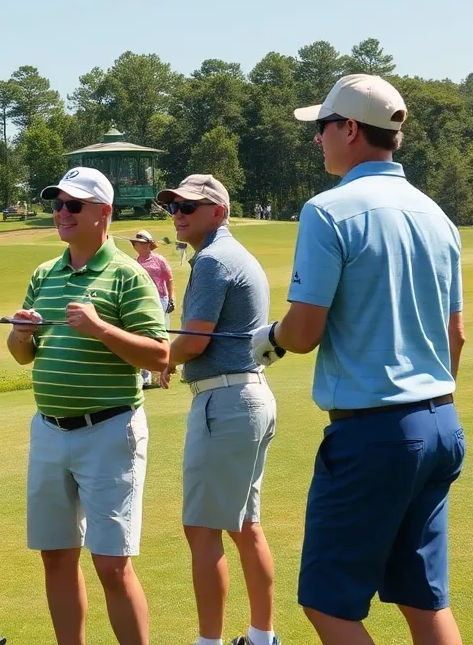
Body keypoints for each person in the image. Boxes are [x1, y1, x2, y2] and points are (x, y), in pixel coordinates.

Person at [251, 75, 467, 645]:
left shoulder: (328, 210)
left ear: (349, 128)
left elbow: (303, 332)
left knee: (328, 604)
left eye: (323, 127)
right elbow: (456, 336)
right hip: (440, 423)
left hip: (375, 434)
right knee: (424, 599)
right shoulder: (437, 216)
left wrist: (270, 337)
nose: (317, 138)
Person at [7, 167, 169, 645]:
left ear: (104, 213)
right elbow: (23, 356)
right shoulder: (44, 274)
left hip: (109, 430)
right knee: (56, 556)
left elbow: (159, 356)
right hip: (49, 429)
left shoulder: (128, 274)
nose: (62, 212)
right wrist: (21, 335)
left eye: (74, 205)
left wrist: (100, 328)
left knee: (112, 565)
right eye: (58, 204)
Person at [156, 175, 280, 645]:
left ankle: (208, 641)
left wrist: (159, 357)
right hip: (249, 396)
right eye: (174, 207)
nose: (178, 214)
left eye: (189, 206)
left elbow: (194, 340)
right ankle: (262, 637)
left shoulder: (212, 260)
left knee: (203, 527)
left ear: (219, 212)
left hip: (225, 400)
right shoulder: (233, 254)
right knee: (245, 525)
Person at [128, 229, 174, 389]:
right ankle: (146, 376)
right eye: (135, 243)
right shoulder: (134, 263)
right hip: (142, 301)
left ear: (148, 244)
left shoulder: (159, 260)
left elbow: (169, 279)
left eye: (140, 243)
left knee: (160, 335)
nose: (136, 245)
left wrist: (171, 299)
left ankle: (165, 370)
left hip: (160, 299)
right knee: (143, 336)